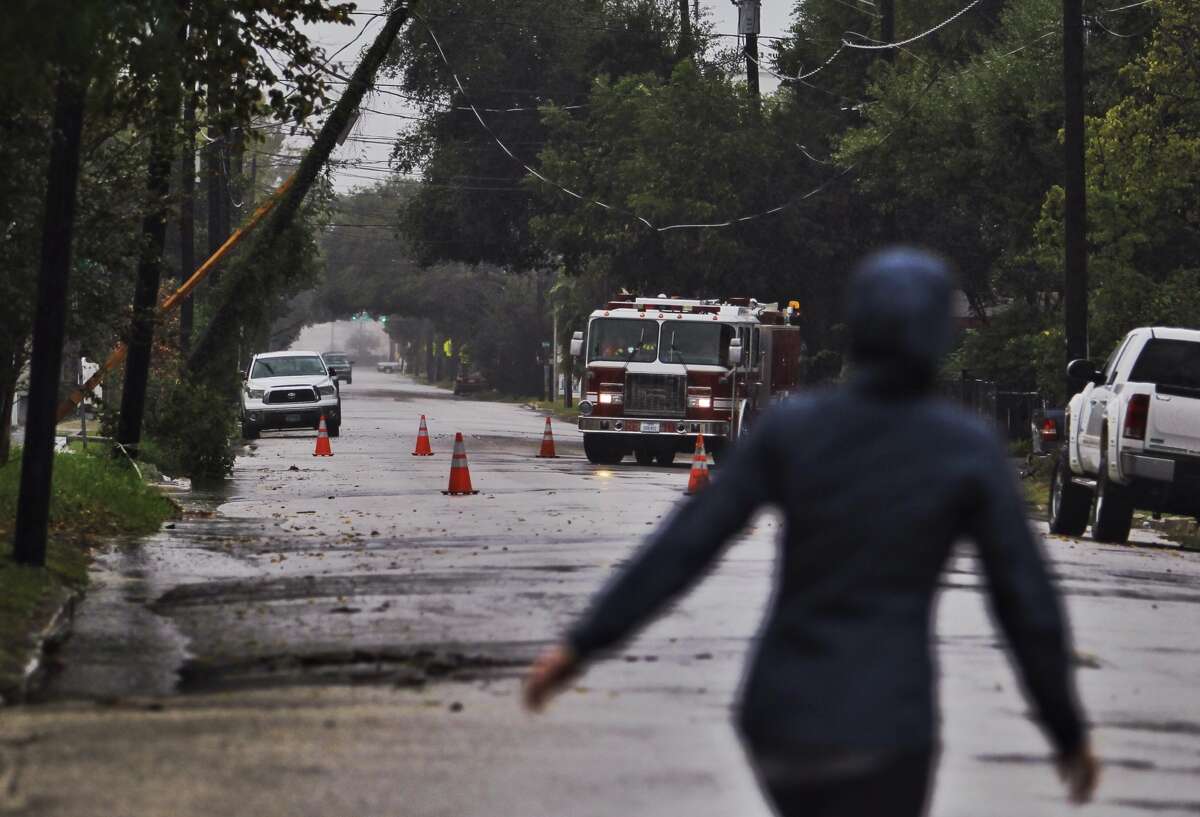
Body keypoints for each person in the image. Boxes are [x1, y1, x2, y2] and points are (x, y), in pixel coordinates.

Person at [523, 247, 1098, 817]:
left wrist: (583, 645)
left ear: (860, 326)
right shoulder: (965, 450)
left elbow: (687, 543)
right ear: (936, 336)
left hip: (782, 718)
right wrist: (1066, 731)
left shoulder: (795, 428)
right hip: (889, 727)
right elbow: (1025, 601)